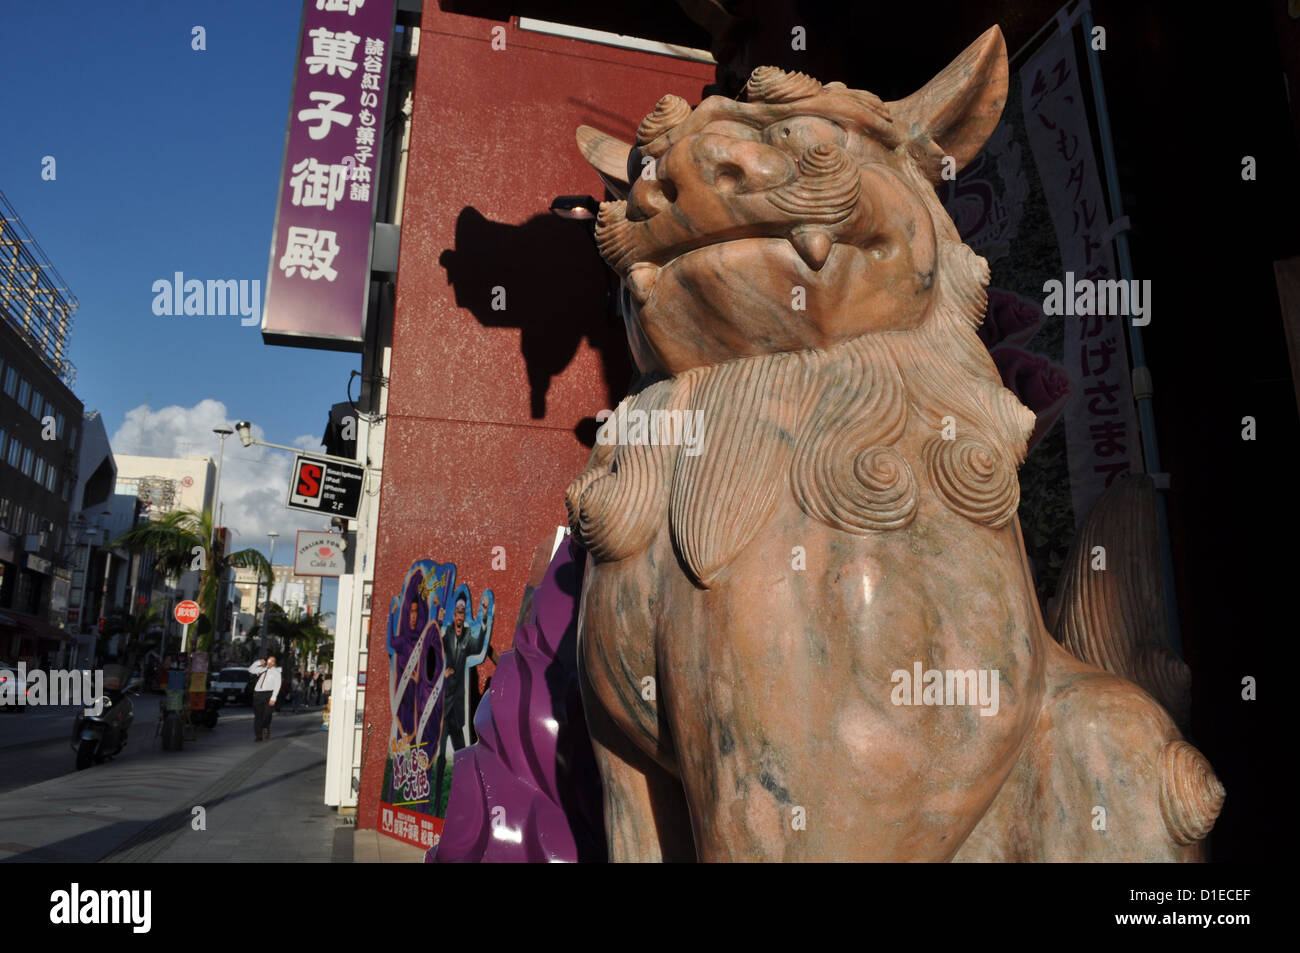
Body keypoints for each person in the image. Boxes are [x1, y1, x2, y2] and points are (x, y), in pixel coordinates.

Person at [248, 656, 281, 741]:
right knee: (258, 716)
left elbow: (277, 686)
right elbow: (250, 669)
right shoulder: (261, 669)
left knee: (267, 713)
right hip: (258, 694)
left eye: (272, 661)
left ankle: (266, 726)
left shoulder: (276, 672)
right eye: (269, 660)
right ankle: (258, 735)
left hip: (269, 694)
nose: (270, 662)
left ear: (275, 662)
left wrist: (273, 698)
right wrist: (258, 662)